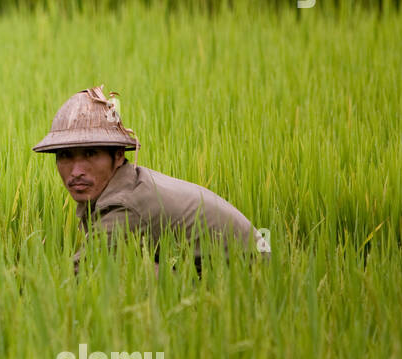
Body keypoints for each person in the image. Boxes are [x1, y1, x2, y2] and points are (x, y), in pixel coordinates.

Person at [33, 86, 268, 275]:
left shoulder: (125, 204)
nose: (76, 171)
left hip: (252, 276)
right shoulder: (124, 185)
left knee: (121, 271)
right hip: (212, 270)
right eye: (64, 157)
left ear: (117, 156)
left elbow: (80, 271)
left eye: (91, 154)